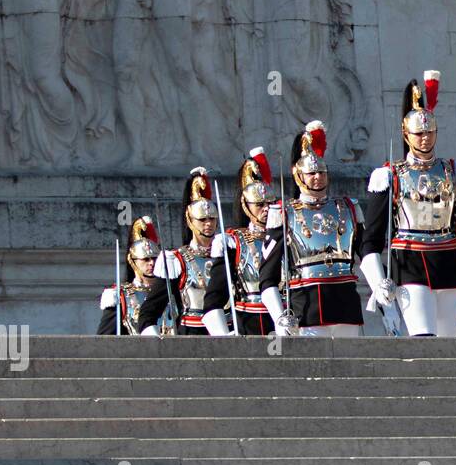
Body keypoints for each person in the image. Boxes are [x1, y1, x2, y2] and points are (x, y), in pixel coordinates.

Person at [359, 73, 456, 336]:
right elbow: (371, 239)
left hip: (449, 262)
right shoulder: (389, 176)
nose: (425, 138)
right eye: (419, 133)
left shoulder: (454, 171)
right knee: (423, 337)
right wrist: (378, 281)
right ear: (406, 135)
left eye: (429, 132)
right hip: (410, 263)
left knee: (448, 343)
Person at [279, 120, 366, 336]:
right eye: (311, 174)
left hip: (345, 297)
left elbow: (365, 251)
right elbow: (269, 274)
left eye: (321, 172)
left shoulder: (347, 207)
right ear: (298, 175)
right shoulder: (283, 212)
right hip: (308, 302)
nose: (317, 177)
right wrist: (279, 314)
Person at [203, 148, 292, 335]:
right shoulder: (233, 242)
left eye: (270, 203)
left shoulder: (288, 236)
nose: (266, 209)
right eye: (260, 205)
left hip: (288, 320)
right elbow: (213, 299)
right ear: (246, 206)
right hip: (250, 324)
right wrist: (222, 335)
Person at [137, 168, 224, 336]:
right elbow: (149, 312)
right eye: (202, 219)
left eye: (212, 219)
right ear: (190, 221)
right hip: (192, 333)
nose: (208, 224)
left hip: (227, 330)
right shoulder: (176, 260)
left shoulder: (226, 254)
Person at [97, 216, 162, 335]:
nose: (151, 263)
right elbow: (105, 338)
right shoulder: (121, 296)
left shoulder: (168, 292)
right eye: (146, 259)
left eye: (154, 258)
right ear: (133, 261)